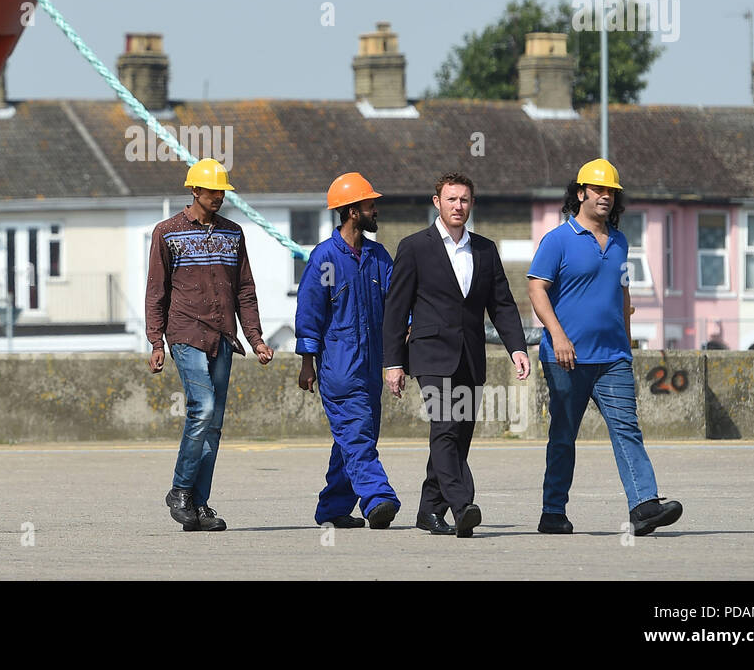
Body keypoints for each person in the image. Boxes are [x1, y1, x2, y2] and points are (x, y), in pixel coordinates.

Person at [526, 158, 683, 537]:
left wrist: (626, 340)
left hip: (613, 357)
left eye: (611, 191)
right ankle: (552, 512)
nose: (605, 197)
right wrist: (558, 336)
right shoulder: (558, 240)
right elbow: (536, 288)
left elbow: (623, 289)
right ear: (580, 193)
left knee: (627, 429)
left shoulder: (619, 242)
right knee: (563, 435)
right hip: (567, 358)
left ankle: (643, 505)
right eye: (597, 190)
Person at [382, 172, 530, 537]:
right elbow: (396, 309)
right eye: (451, 199)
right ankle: (463, 504)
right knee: (445, 426)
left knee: (459, 434)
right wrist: (393, 362)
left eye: (464, 199)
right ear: (437, 203)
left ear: (471, 204)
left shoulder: (484, 249)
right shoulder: (414, 247)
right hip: (430, 354)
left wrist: (517, 348)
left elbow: (503, 305)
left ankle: (429, 510)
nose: (458, 206)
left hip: (470, 356)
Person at [146, 157, 273, 532]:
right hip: (185, 333)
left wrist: (256, 338)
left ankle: (199, 505)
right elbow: (157, 292)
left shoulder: (233, 233)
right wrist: (156, 342)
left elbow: (245, 291)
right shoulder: (167, 232)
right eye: (212, 191)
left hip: (223, 336)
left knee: (214, 424)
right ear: (194, 190)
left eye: (222, 191)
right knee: (201, 409)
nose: (218, 197)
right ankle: (181, 490)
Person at [295, 173, 401, 530]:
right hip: (338, 367)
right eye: (370, 204)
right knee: (356, 434)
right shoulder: (325, 259)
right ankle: (378, 498)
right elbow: (310, 312)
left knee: (355, 437)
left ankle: (333, 509)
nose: (375, 210)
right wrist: (308, 363)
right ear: (353, 211)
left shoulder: (377, 256)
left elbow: (397, 303)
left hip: (371, 366)